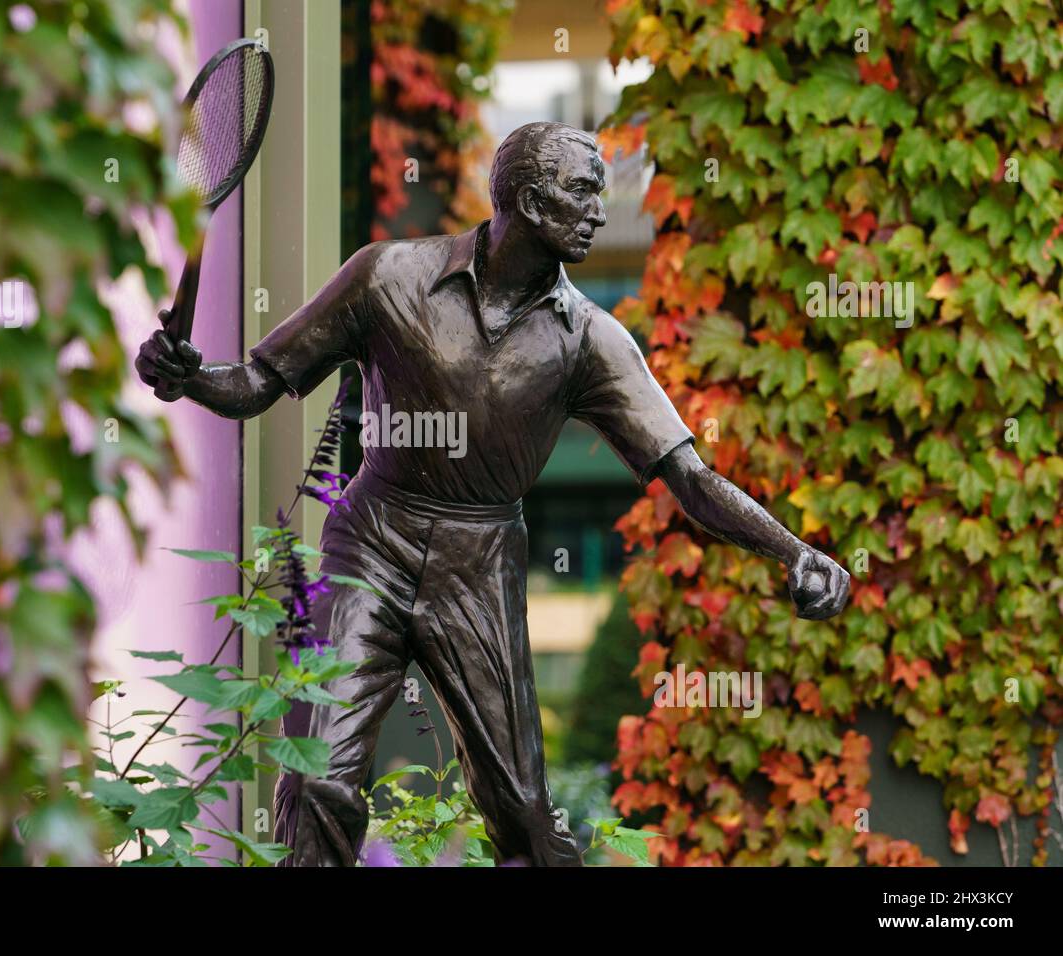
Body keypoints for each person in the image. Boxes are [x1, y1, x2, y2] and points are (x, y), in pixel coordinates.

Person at [135, 121, 851, 866]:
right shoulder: (386, 276)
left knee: (525, 816)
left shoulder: (592, 342)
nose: (601, 210)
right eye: (583, 192)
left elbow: (690, 479)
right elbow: (257, 382)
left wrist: (794, 551)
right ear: (532, 202)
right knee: (318, 780)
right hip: (370, 540)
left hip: (479, 565)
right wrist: (192, 379)